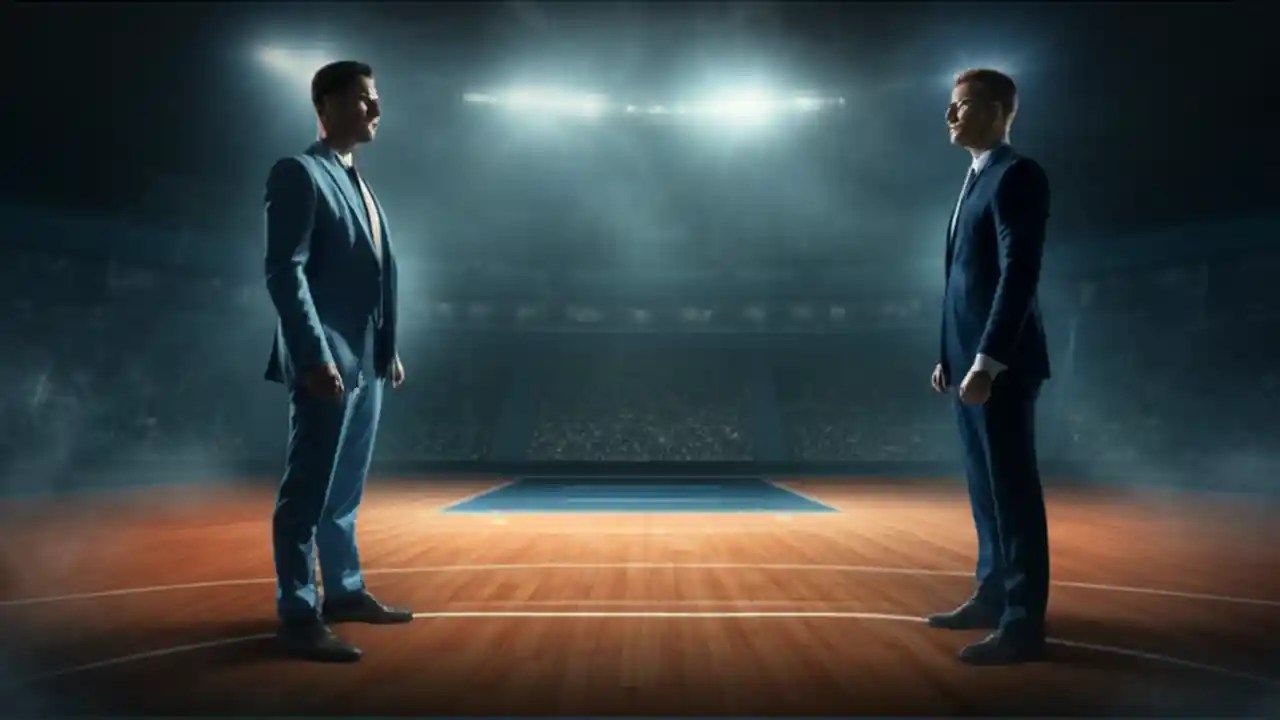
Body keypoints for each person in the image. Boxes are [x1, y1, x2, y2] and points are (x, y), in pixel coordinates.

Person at [262, 60, 412, 662]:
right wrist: (313, 353)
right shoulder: (299, 172)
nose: (375, 110)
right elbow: (284, 269)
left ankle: (344, 592)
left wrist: (388, 346)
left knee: (344, 489)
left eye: (376, 100)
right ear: (324, 106)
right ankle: (298, 611)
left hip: (368, 358)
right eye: (362, 100)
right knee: (308, 489)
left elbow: (371, 275)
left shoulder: (361, 183)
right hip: (325, 359)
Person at [929, 68, 1052, 665]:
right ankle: (991, 594)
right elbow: (960, 283)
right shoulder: (973, 180)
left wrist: (987, 360)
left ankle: (1024, 622)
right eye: (951, 106)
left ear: (1002, 111)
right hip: (968, 361)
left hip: (998, 365)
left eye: (965, 105)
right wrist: (947, 354)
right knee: (984, 490)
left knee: (1013, 494)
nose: (951, 116)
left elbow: (1017, 275)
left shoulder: (1017, 175)